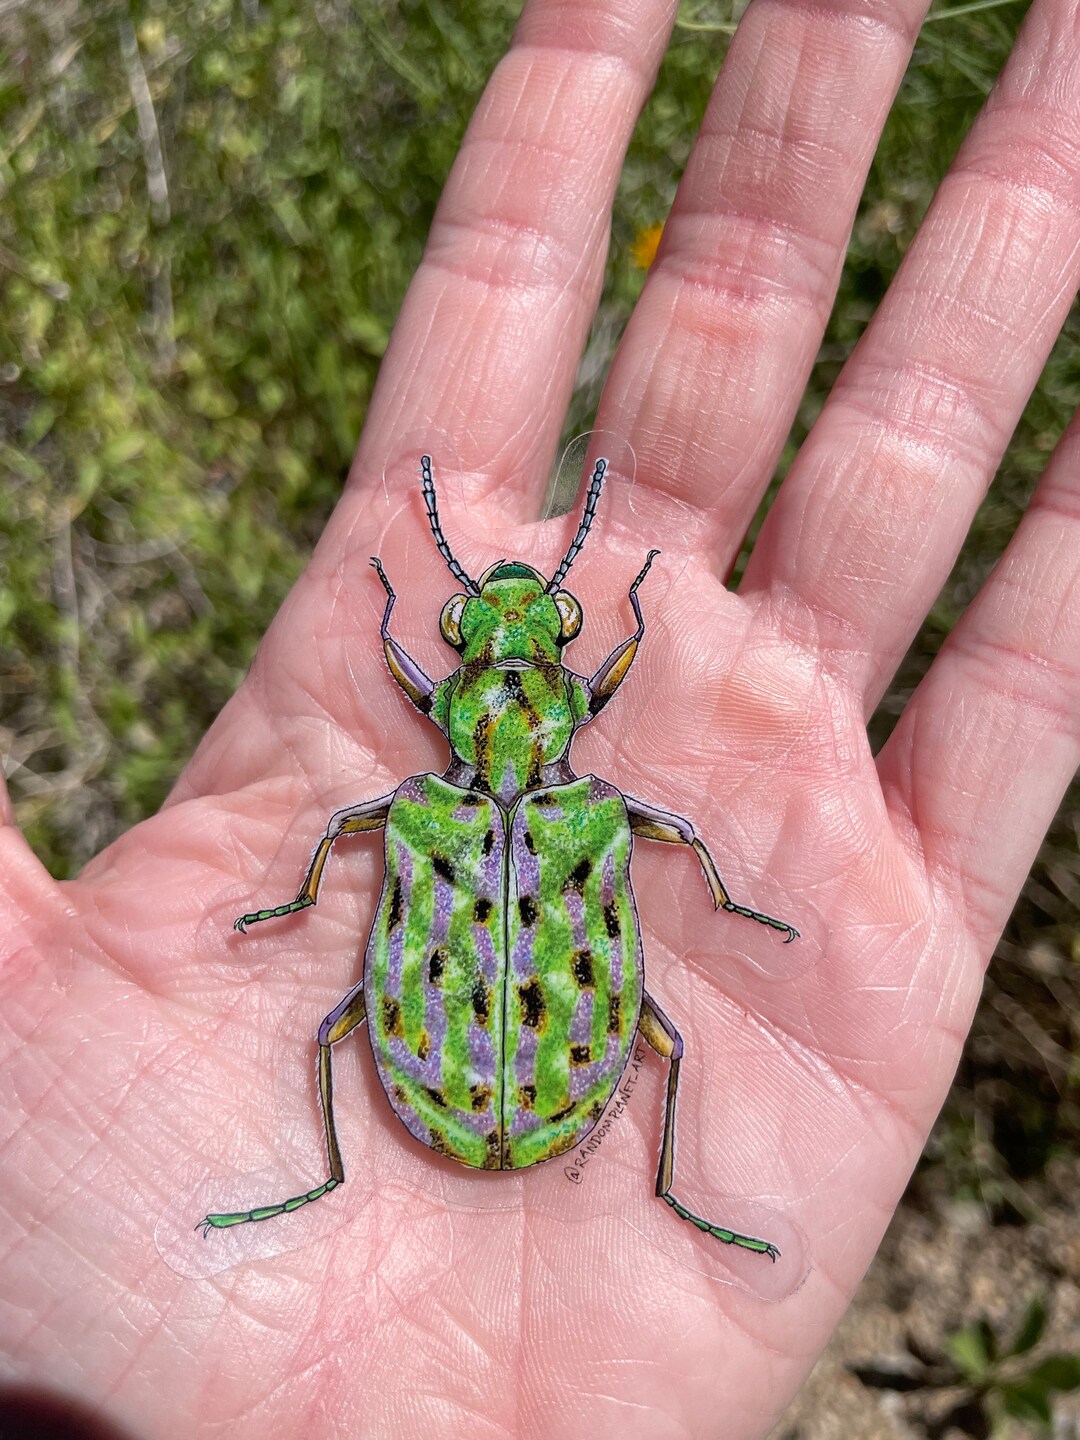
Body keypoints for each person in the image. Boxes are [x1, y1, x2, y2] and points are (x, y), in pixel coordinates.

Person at [2, 0, 1078, 1434]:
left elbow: (348, 834)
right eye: (476, 634)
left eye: (536, 631)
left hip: (466, 1067)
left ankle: (387, 1177)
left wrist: (302, 889)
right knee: (670, 1043)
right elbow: (677, 837)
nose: (505, 641)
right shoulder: (585, 806)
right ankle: (661, 1187)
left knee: (375, 1017)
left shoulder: (419, 805)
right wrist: (731, 900)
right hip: (511, 1065)